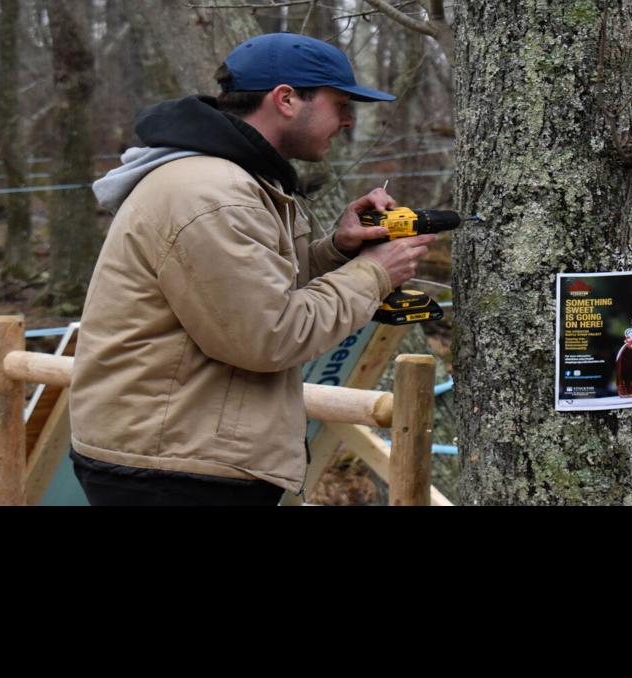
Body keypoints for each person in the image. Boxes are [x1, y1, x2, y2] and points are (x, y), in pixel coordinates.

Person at [68, 33, 434, 505]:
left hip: (180, 454)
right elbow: (268, 335)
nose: (346, 120)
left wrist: (340, 250)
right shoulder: (213, 195)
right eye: (340, 104)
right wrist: (376, 272)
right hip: (174, 470)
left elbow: (246, 294)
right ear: (285, 99)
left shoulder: (232, 179)